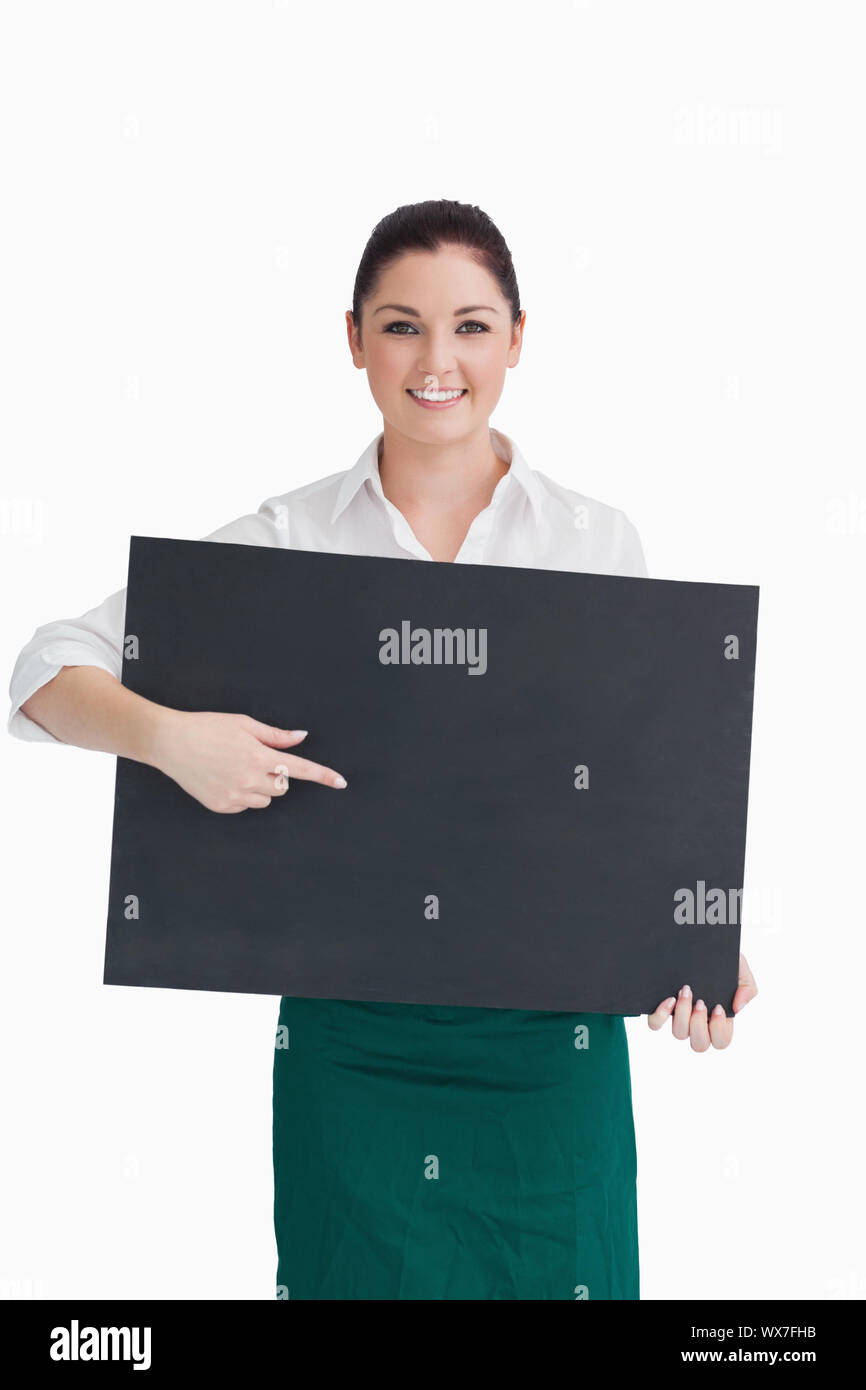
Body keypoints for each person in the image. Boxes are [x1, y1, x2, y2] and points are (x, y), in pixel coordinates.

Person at [7, 198, 757, 1300]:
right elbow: (40, 675)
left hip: (548, 1048)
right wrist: (170, 739)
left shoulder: (596, 542)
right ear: (353, 340)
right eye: (401, 325)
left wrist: (689, 944)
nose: (435, 359)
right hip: (349, 1047)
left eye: (469, 325)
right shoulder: (284, 542)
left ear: (515, 340)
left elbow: (630, 791)